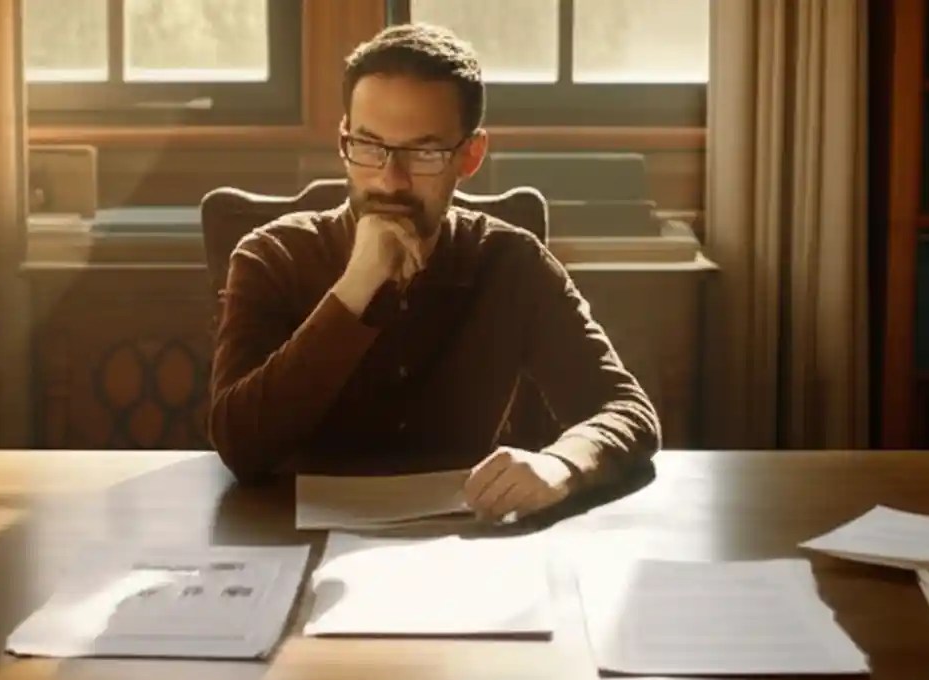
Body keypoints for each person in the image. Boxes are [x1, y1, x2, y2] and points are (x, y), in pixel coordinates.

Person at [208, 23, 660, 522]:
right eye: (369, 145)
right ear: (344, 140)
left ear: (470, 155)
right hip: (289, 542)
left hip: (462, 547)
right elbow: (239, 445)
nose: (390, 179)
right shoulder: (272, 255)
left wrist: (561, 466)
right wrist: (356, 287)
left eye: (423, 153)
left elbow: (625, 409)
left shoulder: (511, 261)